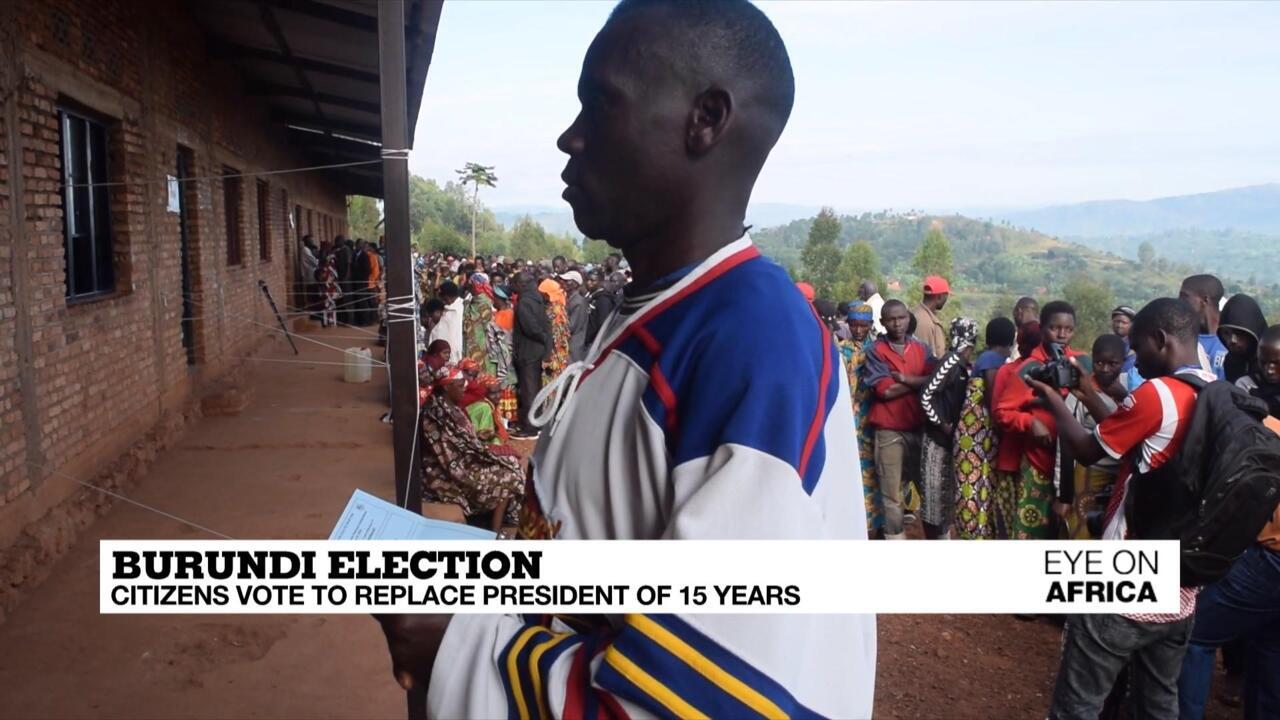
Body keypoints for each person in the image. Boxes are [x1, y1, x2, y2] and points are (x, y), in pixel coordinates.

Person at [378, 2, 875, 717]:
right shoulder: (655, 311)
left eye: (599, 102)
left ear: (704, 119)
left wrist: (455, 643)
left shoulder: (751, 345)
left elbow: (701, 701)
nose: (569, 136)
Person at [1034, 298, 1215, 720]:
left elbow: (1085, 449)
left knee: (1078, 702)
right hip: (1182, 585)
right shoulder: (1212, 390)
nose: (1134, 356)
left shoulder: (1158, 393)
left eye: (1137, 346)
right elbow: (1130, 438)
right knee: (1158, 701)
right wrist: (1087, 389)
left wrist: (1051, 398)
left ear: (1160, 340)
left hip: (1127, 582)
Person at [993, 301, 1083, 539]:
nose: (1062, 334)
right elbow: (1003, 412)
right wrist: (1030, 423)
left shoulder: (1082, 363)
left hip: (1076, 469)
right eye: (1055, 328)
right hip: (1039, 464)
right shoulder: (1029, 369)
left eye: (1068, 329)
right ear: (1042, 328)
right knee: (1032, 533)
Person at [419, 365, 523, 534]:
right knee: (509, 475)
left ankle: (500, 523)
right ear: (446, 387)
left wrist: (483, 444)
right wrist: (487, 451)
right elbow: (452, 452)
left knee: (511, 464)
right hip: (446, 470)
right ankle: (494, 531)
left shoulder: (449, 406)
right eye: (460, 385)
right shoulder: (436, 414)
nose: (464, 389)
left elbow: (463, 441)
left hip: (463, 458)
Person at [864, 299, 934, 540]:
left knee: (926, 488)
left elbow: (934, 381)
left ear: (907, 318)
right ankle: (895, 540)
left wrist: (904, 378)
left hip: (919, 428)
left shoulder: (922, 349)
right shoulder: (875, 351)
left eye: (901, 318)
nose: (897, 323)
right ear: (883, 323)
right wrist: (919, 381)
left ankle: (934, 536)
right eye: (891, 319)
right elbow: (884, 391)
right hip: (889, 430)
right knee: (891, 495)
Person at [1060, 334, 1128, 540]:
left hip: (1120, 476)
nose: (1105, 369)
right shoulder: (1079, 393)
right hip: (1089, 475)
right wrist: (1063, 493)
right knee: (1084, 531)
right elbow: (1065, 444)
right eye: (1099, 363)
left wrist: (1124, 395)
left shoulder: (1132, 390)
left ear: (1123, 362)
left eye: (1113, 363)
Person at [953, 317, 1015, 540]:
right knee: (973, 482)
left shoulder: (987, 357)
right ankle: (974, 533)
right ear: (1011, 339)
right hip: (979, 432)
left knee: (977, 482)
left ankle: (978, 532)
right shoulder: (993, 359)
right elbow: (993, 395)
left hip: (976, 434)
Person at [918, 317, 979, 539]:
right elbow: (926, 395)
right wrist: (942, 424)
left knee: (944, 503)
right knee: (934, 504)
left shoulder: (962, 365)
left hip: (949, 442)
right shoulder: (951, 362)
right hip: (937, 441)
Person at [990, 321, 1041, 539]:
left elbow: (997, 413)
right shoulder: (1019, 371)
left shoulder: (1008, 370)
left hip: (1011, 454)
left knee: (1008, 520)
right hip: (1032, 459)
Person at [841, 303, 881, 536]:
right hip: (846, 421)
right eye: (854, 325)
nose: (858, 330)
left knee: (870, 474)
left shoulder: (876, 351)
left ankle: (871, 526)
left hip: (868, 421)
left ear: (869, 325)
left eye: (862, 326)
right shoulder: (840, 350)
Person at [511, 270, 551, 437]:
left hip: (528, 350)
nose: (512, 288)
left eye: (514, 284)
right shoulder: (537, 298)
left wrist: (542, 337)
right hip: (537, 350)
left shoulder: (525, 302)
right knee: (535, 387)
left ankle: (530, 427)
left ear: (521, 284)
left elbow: (531, 327)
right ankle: (536, 422)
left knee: (529, 390)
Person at [1179, 274, 1228, 380]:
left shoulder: (1232, 341)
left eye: (1184, 296)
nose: (1179, 302)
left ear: (1205, 300)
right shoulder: (1182, 339)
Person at [1218, 293, 1267, 385]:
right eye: (1226, 333)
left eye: (1239, 333)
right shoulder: (1230, 362)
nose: (1232, 340)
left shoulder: (1271, 361)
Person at [462, 273, 496, 374]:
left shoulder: (484, 302)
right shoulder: (473, 300)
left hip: (481, 342)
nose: (469, 288)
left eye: (470, 286)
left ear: (475, 286)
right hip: (473, 341)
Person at [911, 275, 950, 358]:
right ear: (939, 297)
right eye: (946, 296)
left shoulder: (919, 313)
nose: (946, 300)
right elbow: (922, 357)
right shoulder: (924, 323)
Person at [585, 270, 622, 347]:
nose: (589, 283)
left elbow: (602, 324)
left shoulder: (603, 300)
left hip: (592, 343)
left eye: (592, 280)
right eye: (587, 280)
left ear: (601, 282)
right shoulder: (590, 296)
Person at [561, 270, 589, 362]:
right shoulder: (569, 298)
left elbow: (571, 326)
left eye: (567, 280)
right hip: (568, 345)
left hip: (573, 348)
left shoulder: (578, 302)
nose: (563, 282)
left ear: (575, 284)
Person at [317, 253, 341, 327]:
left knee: (328, 305)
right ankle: (330, 322)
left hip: (329, 289)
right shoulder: (331, 268)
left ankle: (328, 322)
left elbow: (323, 278)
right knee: (329, 305)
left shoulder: (327, 269)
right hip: (329, 289)